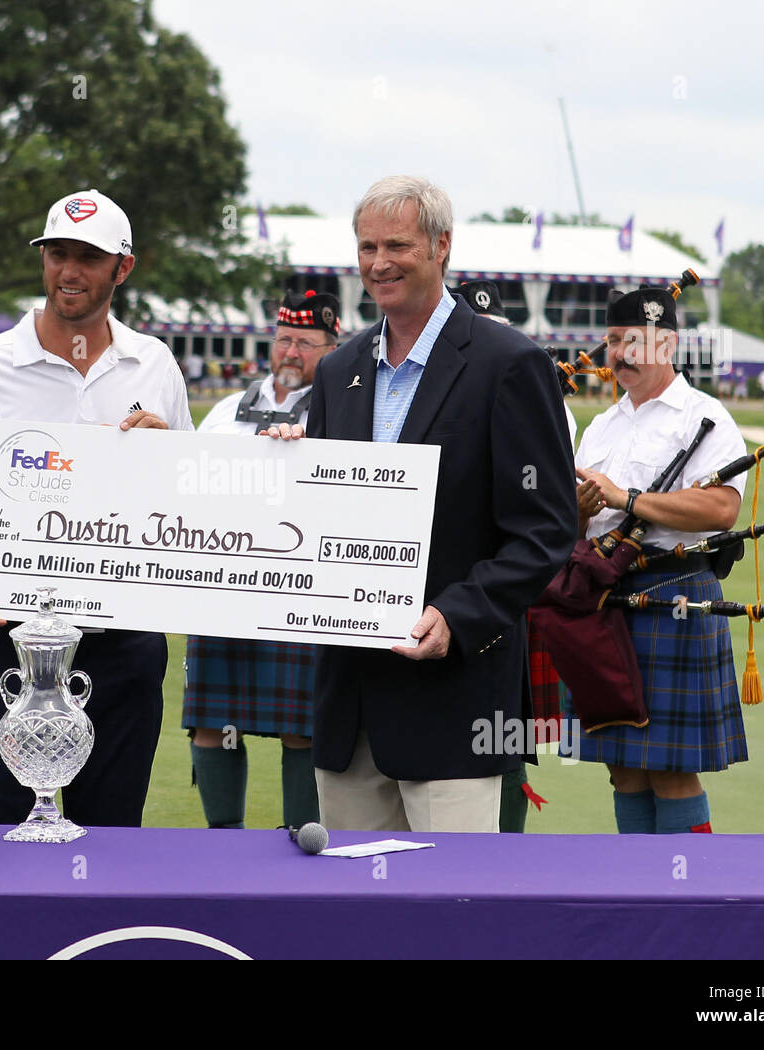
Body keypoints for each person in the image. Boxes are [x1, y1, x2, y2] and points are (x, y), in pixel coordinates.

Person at [269, 176, 577, 833]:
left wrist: (458, 614)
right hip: (348, 711)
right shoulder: (336, 371)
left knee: (454, 925)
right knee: (353, 924)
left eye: (398, 246)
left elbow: (546, 531)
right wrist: (278, 477)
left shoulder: (511, 364)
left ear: (442, 246)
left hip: (454, 707)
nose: (380, 263)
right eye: (367, 247)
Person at [0, 188, 193, 826]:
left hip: (124, 638)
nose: (69, 271)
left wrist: (168, 455)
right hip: (11, 636)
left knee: (113, 834)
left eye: (89, 257)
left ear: (123, 267)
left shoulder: (155, 364)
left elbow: (189, 504)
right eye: (57, 253)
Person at [569, 287, 748, 834]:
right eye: (614, 341)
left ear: (668, 343)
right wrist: (578, 514)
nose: (621, 354)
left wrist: (627, 498)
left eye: (635, 341)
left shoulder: (706, 417)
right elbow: (575, 527)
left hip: (676, 592)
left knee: (672, 769)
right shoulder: (601, 427)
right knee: (623, 767)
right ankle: (640, 892)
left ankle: (689, 897)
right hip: (606, 599)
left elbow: (722, 507)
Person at [182, 289, 340, 829]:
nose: (292, 352)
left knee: (303, 723)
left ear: (331, 347)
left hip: (303, 588)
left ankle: (301, 835)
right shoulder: (225, 411)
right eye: (284, 340)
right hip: (224, 587)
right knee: (212, 720)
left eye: (307, 343)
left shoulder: (341, 410)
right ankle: (223, 840)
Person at [456, 278, 581, 832]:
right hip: (440, 577)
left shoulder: (540, 399)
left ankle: (500, 858)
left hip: (505, 583)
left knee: (504, 732)